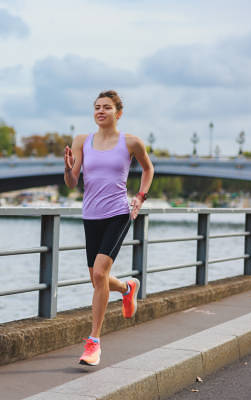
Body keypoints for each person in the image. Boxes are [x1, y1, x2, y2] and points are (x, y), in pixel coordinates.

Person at [63, 90, 154, 366]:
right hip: (91, 215)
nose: (100, 111)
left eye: (107, 107)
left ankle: (94, 342)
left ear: (118, 112)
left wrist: (139, 198)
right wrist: (68, 170)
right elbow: (71, 182)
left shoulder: (131, 142)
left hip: (118, 213)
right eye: (97, 107)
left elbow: (148, 169)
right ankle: (127, 288)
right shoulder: (82, 141)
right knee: (97, 279)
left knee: (101, 273)